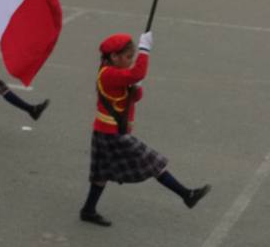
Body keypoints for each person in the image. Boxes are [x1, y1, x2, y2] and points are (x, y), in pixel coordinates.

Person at [80, 33, 211, 226]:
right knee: (152, 162)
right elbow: (137, 73)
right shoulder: (108, 74)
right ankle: (186, 194)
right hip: (110, 134)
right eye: (128, 57)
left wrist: (136, 84)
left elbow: (135, 96)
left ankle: (88, 210)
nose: (131, 61)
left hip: (110, 133)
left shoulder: (117, 72)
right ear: (114, 57)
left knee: (101, 174)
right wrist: (144, 50)